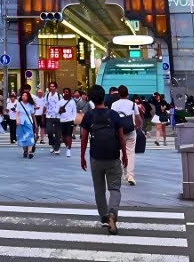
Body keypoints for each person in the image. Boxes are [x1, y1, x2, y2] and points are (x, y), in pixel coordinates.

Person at [79, 85, 129, 235]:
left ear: (91, 98)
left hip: (96, 157)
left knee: (99, 190)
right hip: (113, 156)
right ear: (104, 97)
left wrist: (82, 156)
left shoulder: (89, 116)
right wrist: (125, 155)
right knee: (114, 188)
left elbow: (83, 138)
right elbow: (121, 137)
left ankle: (104, 217)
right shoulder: (113, 114)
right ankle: (112, 213)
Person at [110, 86, 139, 185]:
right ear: (127, 94)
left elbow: (111, 118)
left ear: (119, 94)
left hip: (119, 131)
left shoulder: (114, 104)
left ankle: (123, 173)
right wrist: (137, 126)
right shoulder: (133, 104)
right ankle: (130, 175)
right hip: (131, 130)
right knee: (130, 153)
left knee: (120, 151)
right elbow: (138, 118)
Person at [14, 91, 38, 159]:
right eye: (23, 95)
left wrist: (35, 124)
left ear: (28, 97)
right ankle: (25, 150)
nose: (23, 96)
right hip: (20, 122)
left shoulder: (31, 105)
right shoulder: (19, 104)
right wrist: (17, 120)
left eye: (25, 95)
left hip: (28, 122)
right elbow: (17, 113)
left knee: (30, 136)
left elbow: (33, 115)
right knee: (22, 137)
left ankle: (30, 152)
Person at [44, 83, 63, 154]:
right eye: (50, 86)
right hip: (49, 115)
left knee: (58, 133)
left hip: (58, 116)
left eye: (53, 86)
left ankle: (57, 147)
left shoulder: (59, 96)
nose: (51, 87)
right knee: (49, 131)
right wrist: (43, 115)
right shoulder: (47, 95)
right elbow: (45, 105)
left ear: (55, 87)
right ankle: (53, 144)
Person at [58, 87, 77, 155]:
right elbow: (56, 111)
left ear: (69, 93)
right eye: (65, 92)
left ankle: (69, 149)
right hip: (62, 121)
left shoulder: (72, 102)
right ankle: (66, 145)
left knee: (69, 135)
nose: (66, 93)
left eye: (67, 92)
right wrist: (60, 111)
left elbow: (74, 111)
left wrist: (73, 119)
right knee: (63, 137)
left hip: (69, 121)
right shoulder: (60, 102)